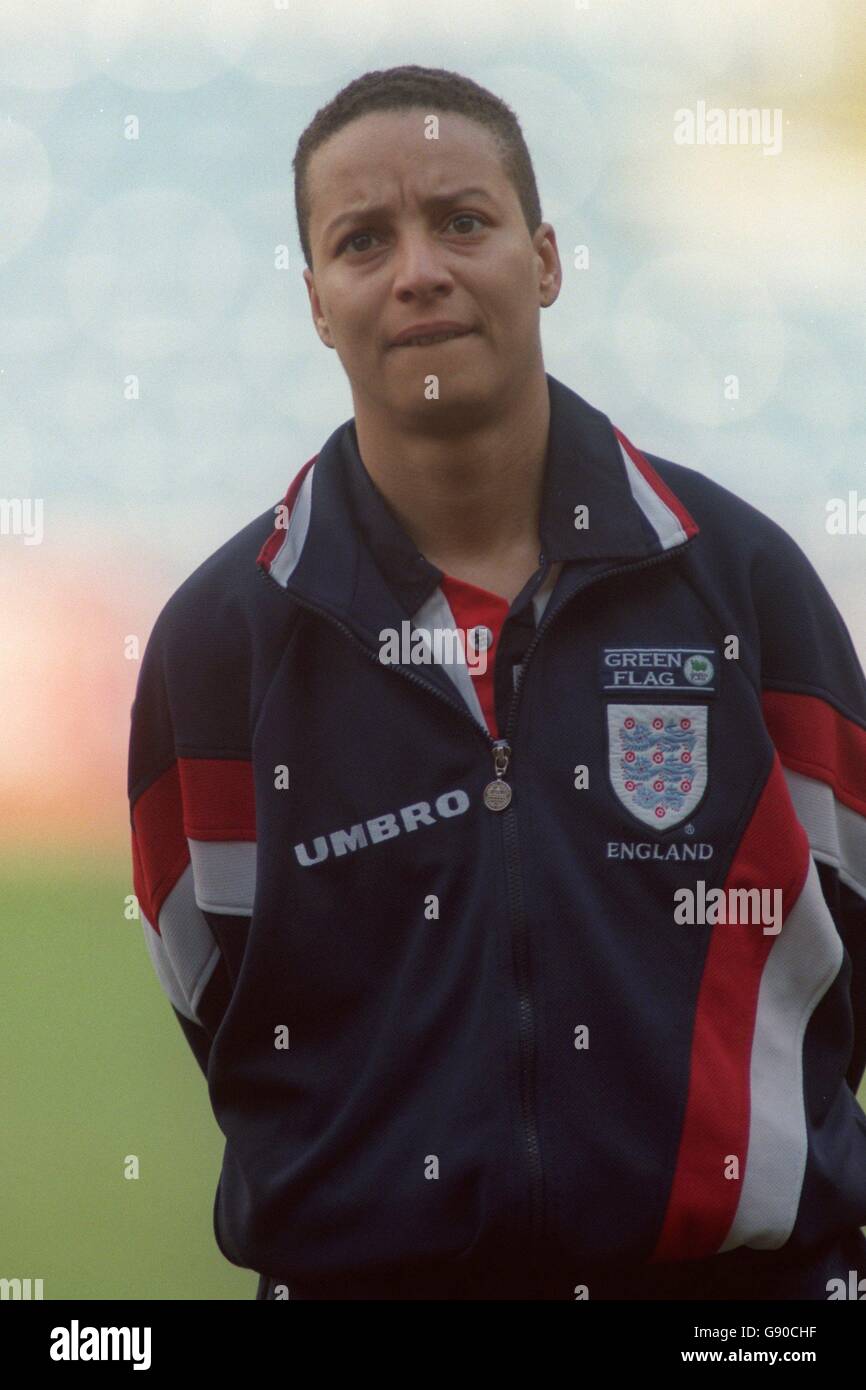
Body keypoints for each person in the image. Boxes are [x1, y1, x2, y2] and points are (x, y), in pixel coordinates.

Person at [127, 64, 866, 1301]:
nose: (418, 269)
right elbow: (216, 988)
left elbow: (844, 927)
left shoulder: (741, 584)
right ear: (316, 302)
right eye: (363, 240)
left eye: (460, 221)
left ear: (544, 260)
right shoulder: (222, 640)